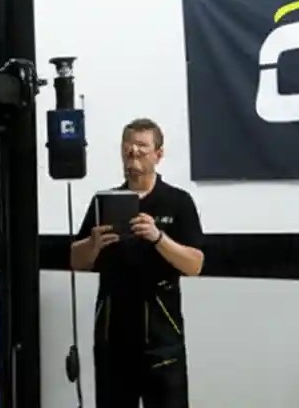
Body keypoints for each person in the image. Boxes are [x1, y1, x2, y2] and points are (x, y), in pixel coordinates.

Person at [71, 118, 205, 408]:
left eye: (142, 146)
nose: (133, 152)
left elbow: (195, 265)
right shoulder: (104, 202)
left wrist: (158, 238)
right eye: (128, 146)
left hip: (161, 338)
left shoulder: (178, 201)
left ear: (159, 154)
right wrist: (93, 244)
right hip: (113, 338)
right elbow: (75, 261)